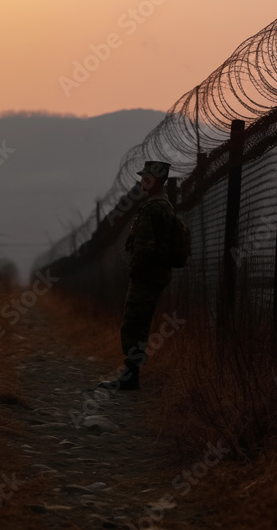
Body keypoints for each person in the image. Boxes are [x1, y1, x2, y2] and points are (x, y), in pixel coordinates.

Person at [100, 160, 178, 391]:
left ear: (156, 181)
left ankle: (130, 376)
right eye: (143, 177)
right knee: (139, 323)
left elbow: (144, 246)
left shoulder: (151, 207)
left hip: (146, 275)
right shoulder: (165, 205)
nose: (143, 181)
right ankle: (130, 374)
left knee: (134, 323)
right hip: (156, 274)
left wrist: (135, 271)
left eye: (147, 178)